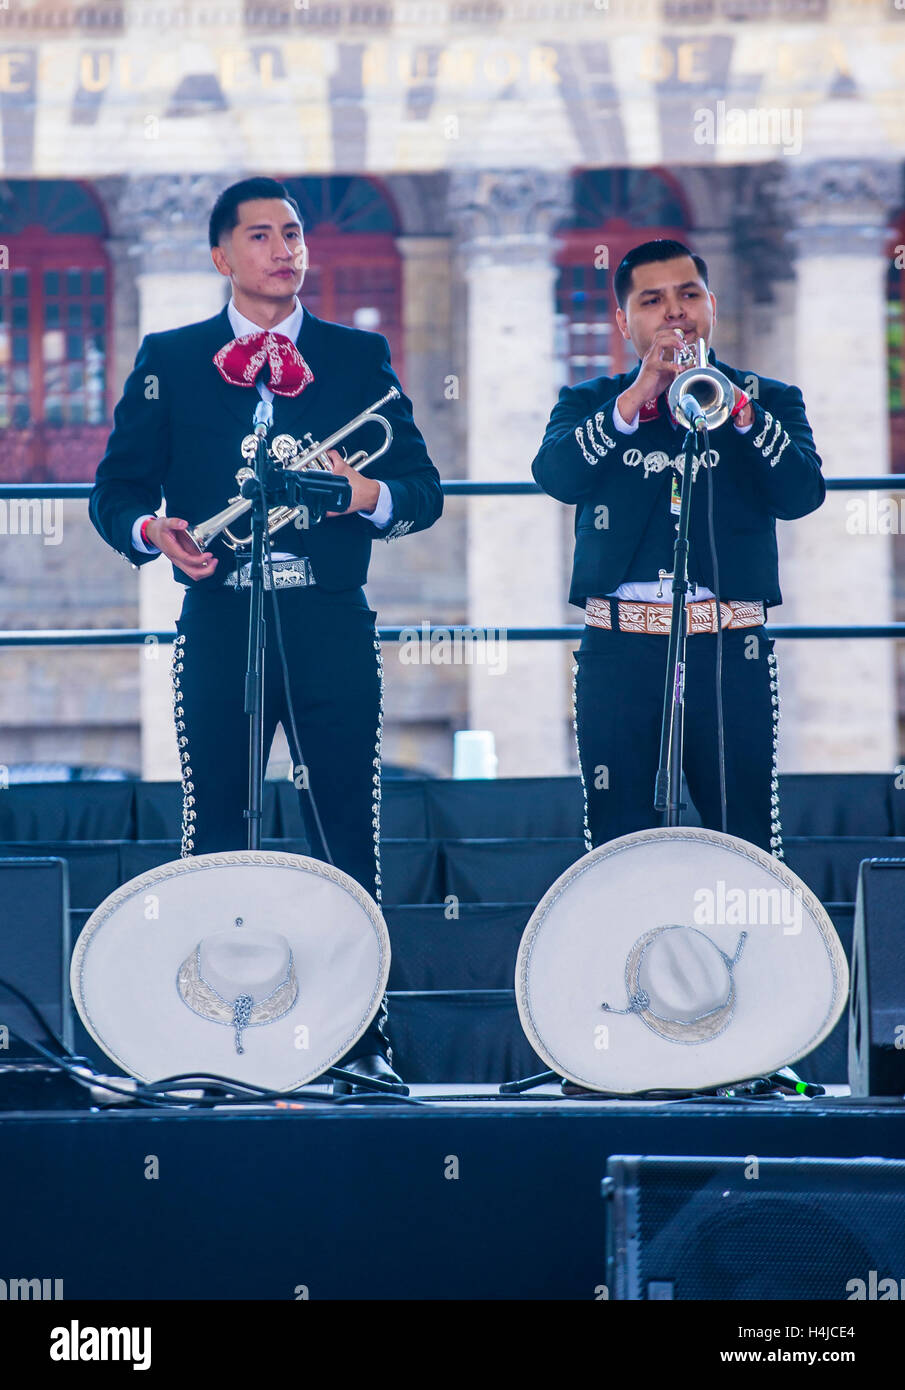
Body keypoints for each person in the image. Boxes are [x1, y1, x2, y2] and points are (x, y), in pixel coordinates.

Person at [90, 177, 443, 1090]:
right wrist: (151, 531)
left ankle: (364, 1040)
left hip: (326, 616)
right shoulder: (171, 355)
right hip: (219, 615)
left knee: (344, 831)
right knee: (218, 828)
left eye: (293, 234)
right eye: (261, 236)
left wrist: (356, 492)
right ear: (221, 257)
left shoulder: (356, 355)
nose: (285, 249)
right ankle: (218, 1037)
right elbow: (116, 491)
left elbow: (421, 495)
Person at [532, 238, 824, 857]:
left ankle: (744, 953)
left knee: (743, 832)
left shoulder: (766, 399)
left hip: (729, 646)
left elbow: (802, 492)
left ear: (711, 306)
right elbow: (557, 476)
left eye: (689, 295)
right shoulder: (589, 404)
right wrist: (636, 399)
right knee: (614, 833)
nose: (675, 312)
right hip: (618, 646)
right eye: (653, 299)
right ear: (623, 320)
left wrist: (738, 412)